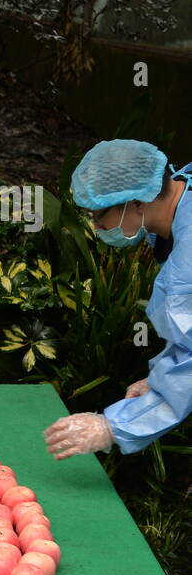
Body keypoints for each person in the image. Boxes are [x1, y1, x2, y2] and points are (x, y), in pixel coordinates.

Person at [44, 139, 192, 459]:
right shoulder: (183, 196)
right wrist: (159, 379)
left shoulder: (188, 265)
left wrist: (114, 426)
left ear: (138, 202)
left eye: (100, 213)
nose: (96, 225)